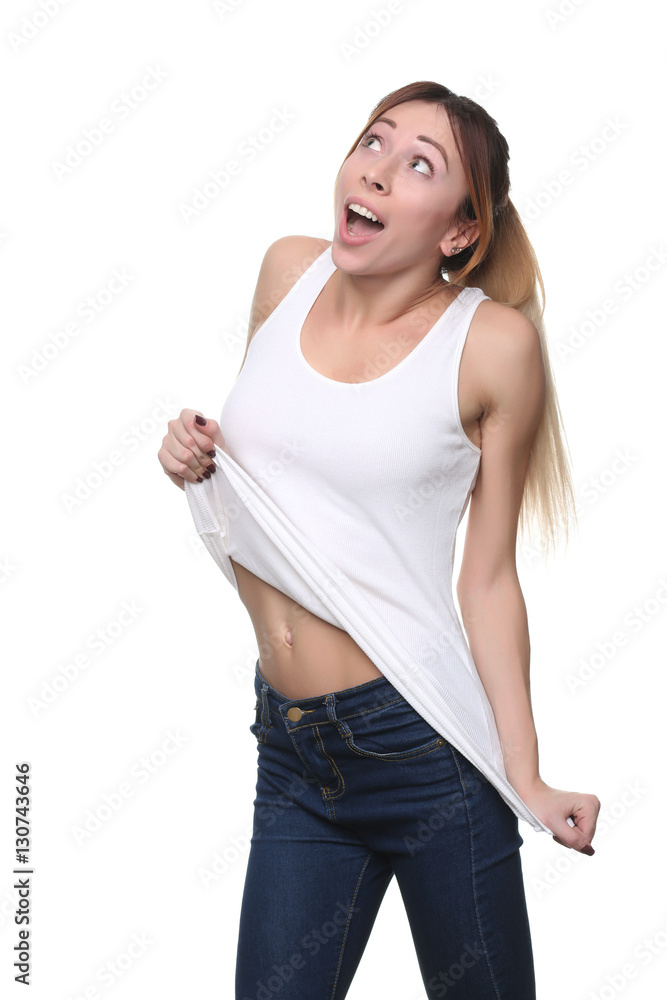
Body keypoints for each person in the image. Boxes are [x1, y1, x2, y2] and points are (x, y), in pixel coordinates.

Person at [158, 81, 600, 999]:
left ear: (460, 231)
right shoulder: (287, 272)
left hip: (419, 749)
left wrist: (525, 774)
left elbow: (487, 580)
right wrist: (193, 456)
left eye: (418, 165)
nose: (377, 171)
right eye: (374, 141)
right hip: (290, 751)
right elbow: (272, 477)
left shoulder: (491, 346)